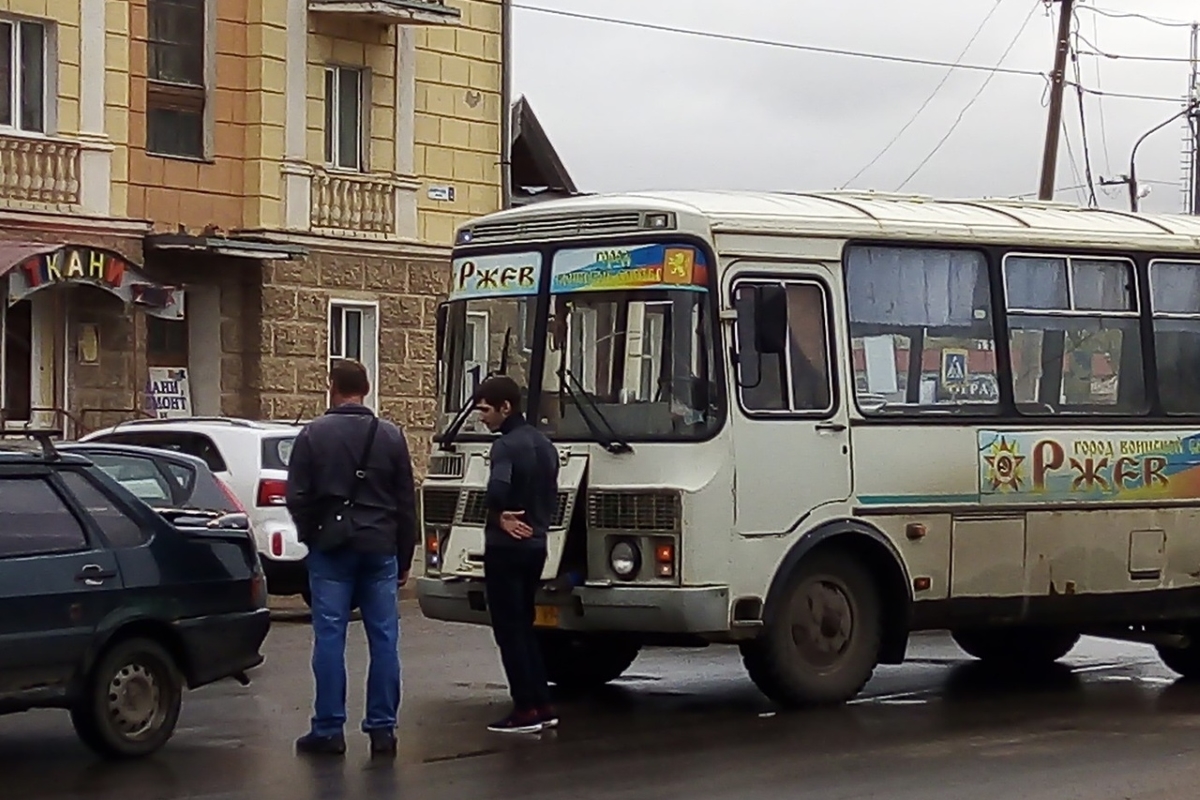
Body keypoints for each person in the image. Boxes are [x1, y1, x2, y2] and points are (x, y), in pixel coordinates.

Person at [285, 360, 417, 757]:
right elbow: (406, 502)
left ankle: (328, 728)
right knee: (384, 638)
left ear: (332, 387)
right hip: (379, 547)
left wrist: (313, 535)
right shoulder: (391, 435)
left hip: (332, 547)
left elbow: (297, 496)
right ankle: (382, 729)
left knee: (329, 636)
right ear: (367, 387)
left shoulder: (312, 434)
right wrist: (404, 555)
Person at [475, 375, 561, 733]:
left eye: (485, 410)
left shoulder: (506, 447)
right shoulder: (545, 445)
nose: (482, 417)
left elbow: (498, 490)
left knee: (508, 631)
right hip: (536, 545)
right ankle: (542, 703)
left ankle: (525, 708)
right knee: (526, 627)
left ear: (505, 407)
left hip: (505, 548)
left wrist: (497, 516)